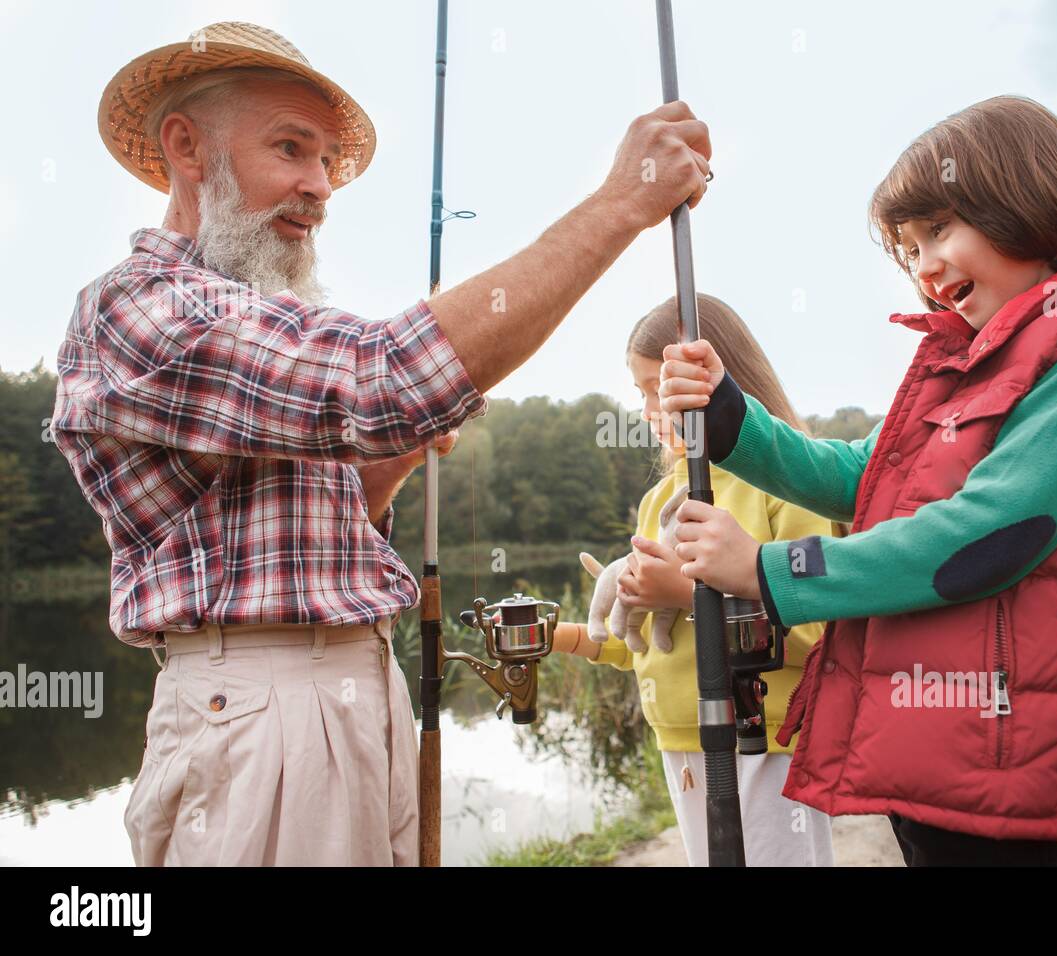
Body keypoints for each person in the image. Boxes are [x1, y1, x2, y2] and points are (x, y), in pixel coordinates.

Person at [53, 21, 711, 866]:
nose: (318, 186)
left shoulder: (267, 323)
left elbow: (325, 517)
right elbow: (386, 376)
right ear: (186, 147)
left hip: (357, 698)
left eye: (325, 161)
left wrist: (395, 458)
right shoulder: (141, 307)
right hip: (259, 717)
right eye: (290, 149)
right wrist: (622, 202)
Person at [657, 95, 1057, 866]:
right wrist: (728, 417)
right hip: (936, 749)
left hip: (1008, 758)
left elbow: (991, 532)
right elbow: (860, 475)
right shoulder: (961, 368)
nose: (923, 266)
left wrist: (770, 570)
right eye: (908, 249)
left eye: (940, 230)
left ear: (1027, 199)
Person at [554, 295, 836, 866]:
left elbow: (817, 637)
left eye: (660, 388)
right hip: (680, 741)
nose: (649, 408)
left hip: (769, 739)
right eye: (641, 393)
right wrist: (556, 637)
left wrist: (684, 593)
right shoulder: (659, 498)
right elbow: (644, 644)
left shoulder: (785, 484)